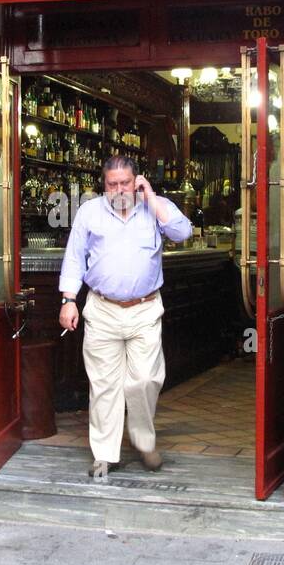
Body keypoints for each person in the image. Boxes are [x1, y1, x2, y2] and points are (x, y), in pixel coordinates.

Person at [59, 156, 192, 480]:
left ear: (137, 181)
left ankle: (143, 441)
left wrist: (151, 197)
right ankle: (104, 455)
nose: (119, 189)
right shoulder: (90, 212)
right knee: (104, 386)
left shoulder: (154, 206)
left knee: (145, 380)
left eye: (125, 183)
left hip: (144, 309)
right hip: (102, 308)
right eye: (112, 184)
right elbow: (74, 257)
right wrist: (69, 300)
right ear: (103, 185)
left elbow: (183, 232)